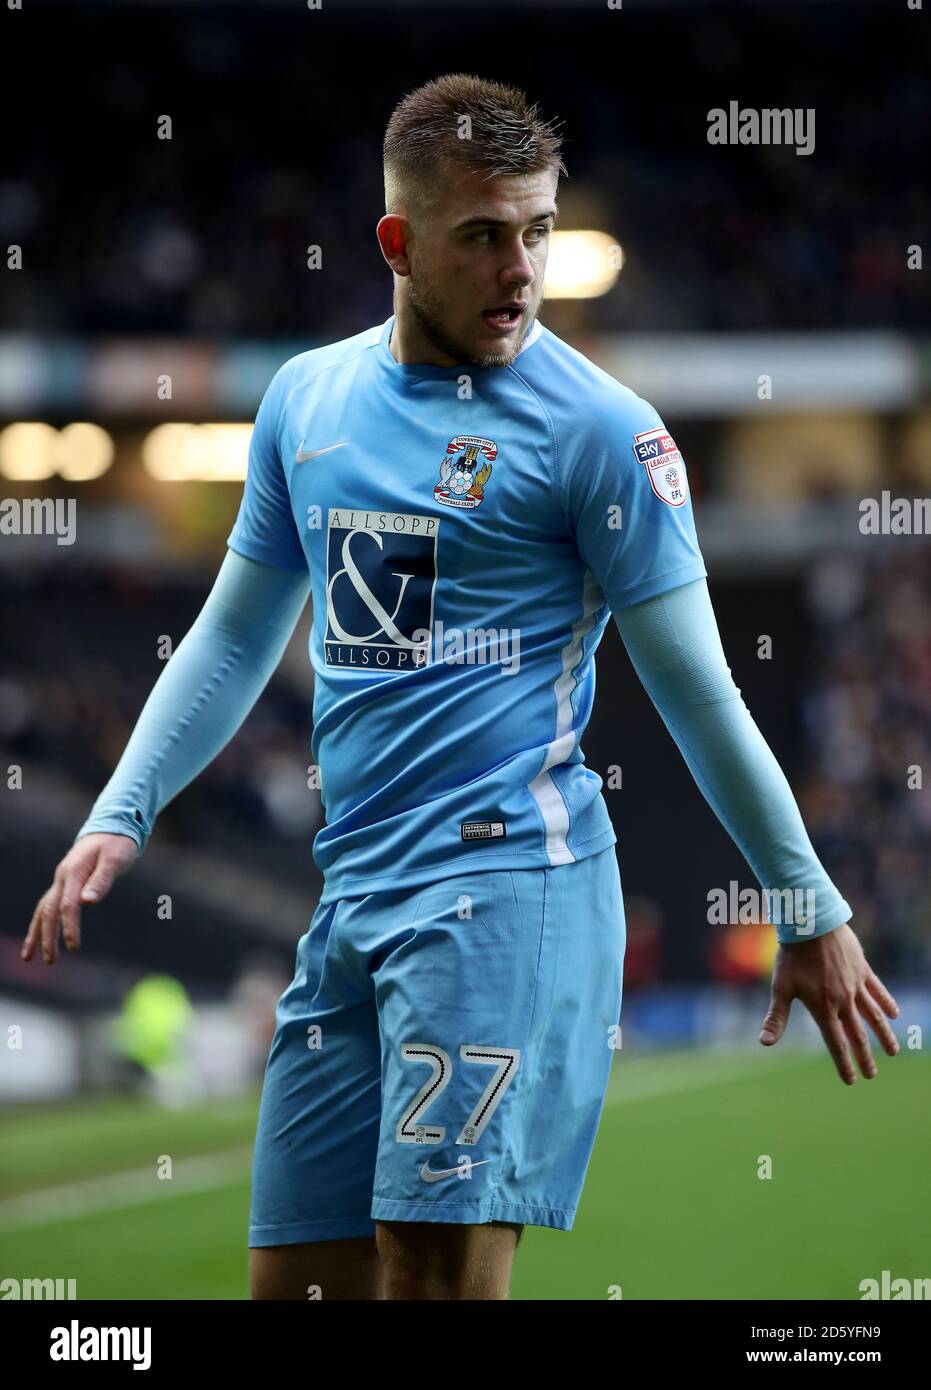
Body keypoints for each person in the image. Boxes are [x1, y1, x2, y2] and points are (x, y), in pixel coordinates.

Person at [22, 74, 899, 1301]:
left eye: (537, 231)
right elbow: (228, 638)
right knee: (300, 1289)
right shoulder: (305, 402)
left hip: (506, 891)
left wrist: (805, 897)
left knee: (428, 1282)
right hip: (353, 895)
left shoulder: (603, 432)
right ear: (397, 241)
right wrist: (122, 808)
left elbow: (700, 688)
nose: (521, 269)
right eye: (485, 235)